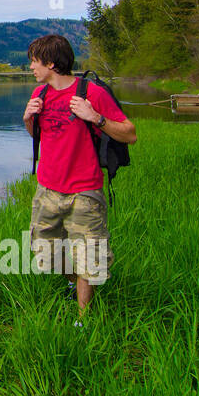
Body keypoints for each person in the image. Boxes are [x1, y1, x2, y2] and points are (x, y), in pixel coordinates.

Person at [21, 34, 136, 319]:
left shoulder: (91, 93)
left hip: (84, 190)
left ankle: (83, 320)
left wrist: (95, 117)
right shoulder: (39, 94)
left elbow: (130, 134)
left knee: (89, 257)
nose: (31, 68)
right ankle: (73, 283)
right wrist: (27, 119)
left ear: (50, 62)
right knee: (45, 254)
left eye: (34, 62)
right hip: (47, 188)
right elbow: (39, 135)